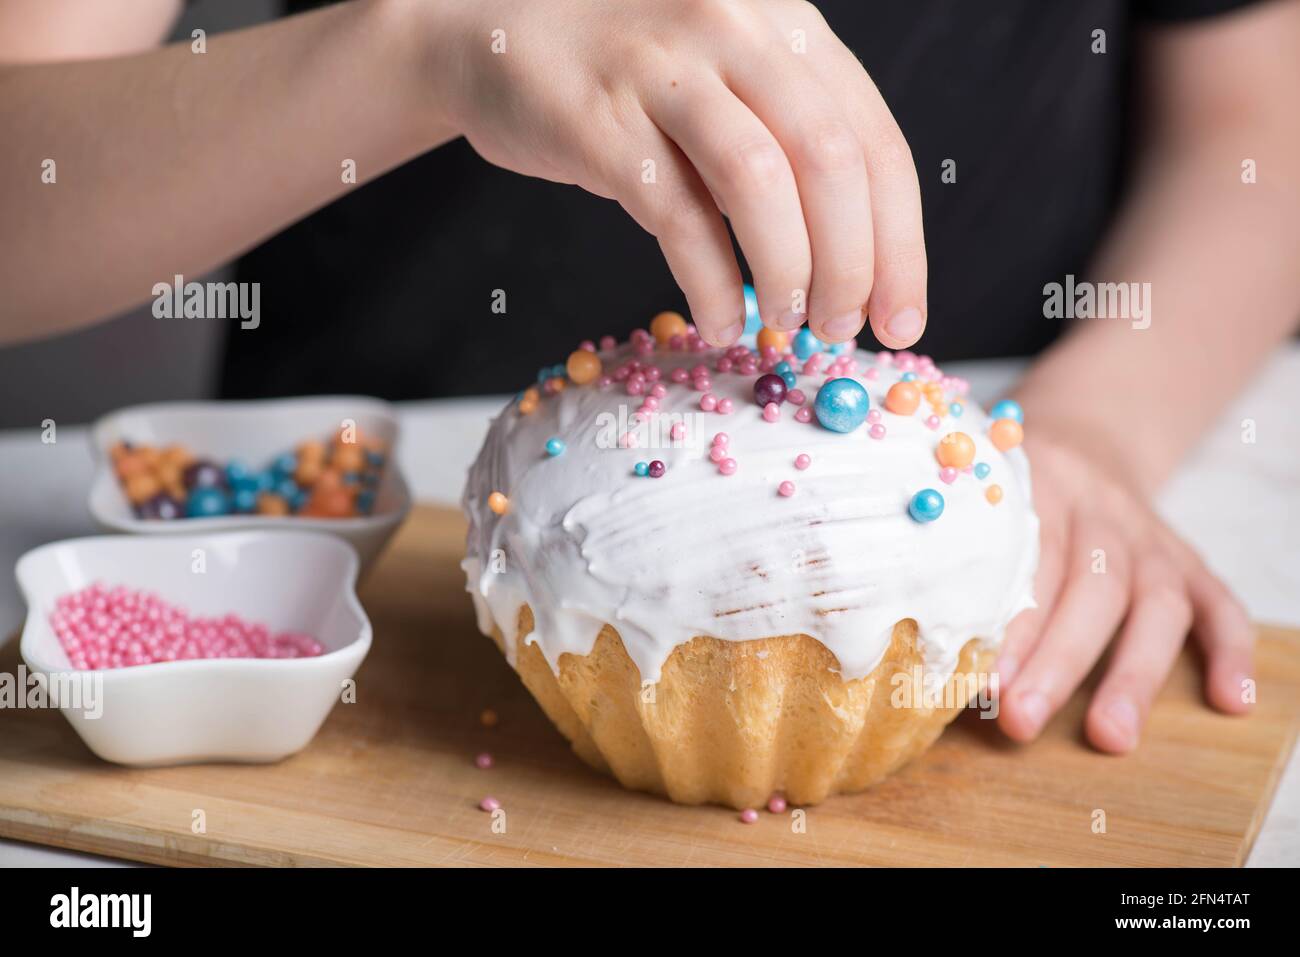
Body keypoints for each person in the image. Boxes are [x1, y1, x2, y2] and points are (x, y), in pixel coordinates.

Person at [2, 0, 1297, 754]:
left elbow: (1261, 115)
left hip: (984, 447)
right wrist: (424, 45)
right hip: (386, 550)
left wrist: (1101, 424)